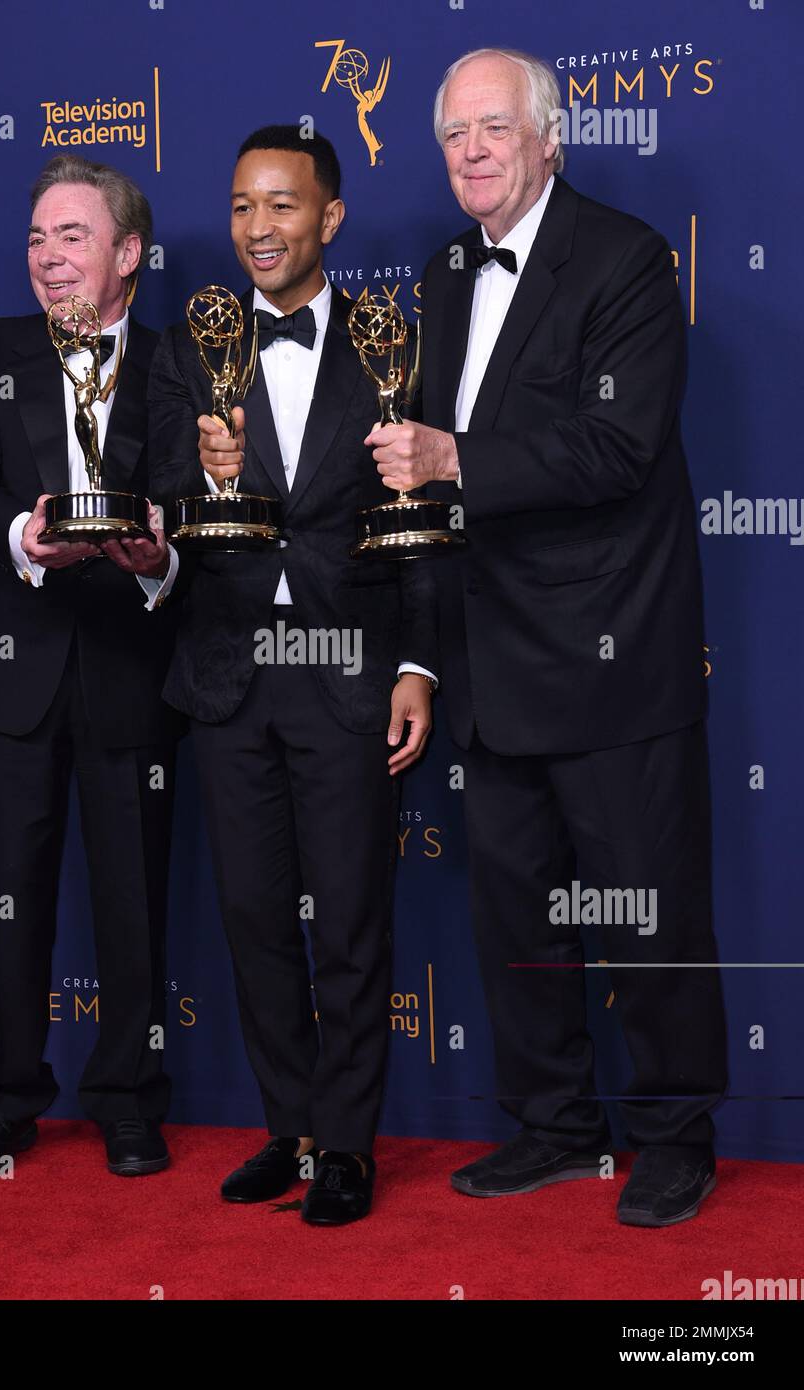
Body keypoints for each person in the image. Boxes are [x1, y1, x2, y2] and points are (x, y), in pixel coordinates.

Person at [367, 48, 728, 1227]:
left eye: (491, 129)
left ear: (546, 140)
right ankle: (554, 1128)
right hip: (486, 657)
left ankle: (676, 1135)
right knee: (515, 912)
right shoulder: (439, 273)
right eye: (452, 136)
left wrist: (456, 459)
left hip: (610, 651)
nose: (470, 151)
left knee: (642, 908)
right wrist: (420, 656)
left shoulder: (624, 258)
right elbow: (420, 494)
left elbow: (614, 449)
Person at [148, 125, 436, 1225]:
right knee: (256, 914)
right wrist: (197, 471)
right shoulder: (185, 351)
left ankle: (351, 1145)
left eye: (280, 205)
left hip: (350, 669)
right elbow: (161, 495)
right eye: (239, 207)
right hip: (228, 672)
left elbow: (413, 518)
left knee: (352, 918)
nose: (257, 228)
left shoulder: (385, 343)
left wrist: (416, 662)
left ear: (329, 217)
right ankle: (293, 1130)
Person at [0, 154, 181, 1180]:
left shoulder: (177, 364)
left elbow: (182, 505)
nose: (47, 257)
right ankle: (4, 1100)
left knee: (133, 893)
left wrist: (159, 559)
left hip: (130, 657)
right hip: (14, 662)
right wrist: (17, 535)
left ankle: (126, 1098)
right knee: (8, 894)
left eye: (71, 236)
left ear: (127, 254)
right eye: (37, 237)